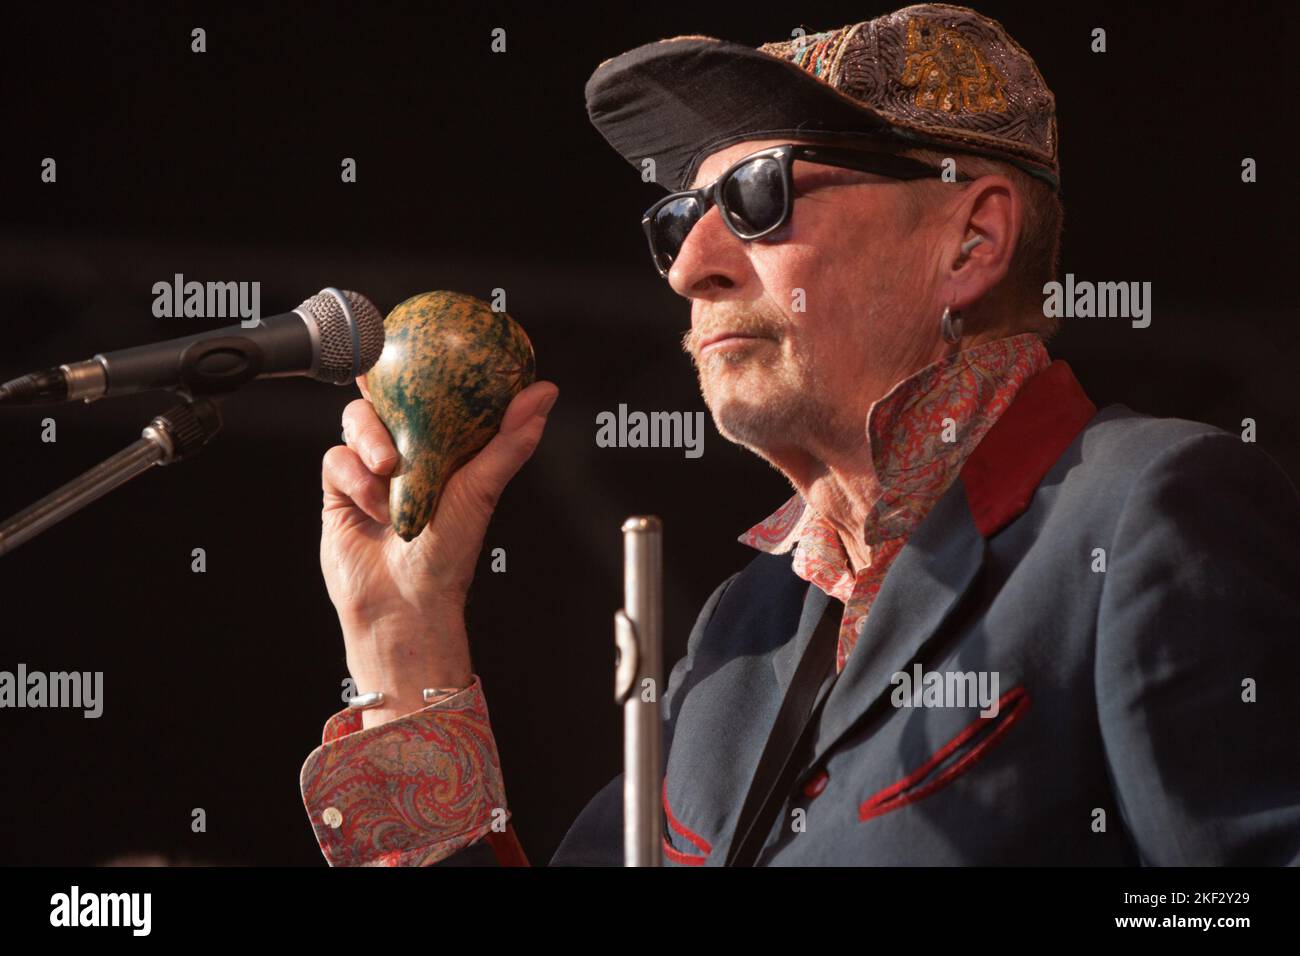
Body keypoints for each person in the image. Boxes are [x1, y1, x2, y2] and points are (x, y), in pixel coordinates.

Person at [300, 4, 1300, 866]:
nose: (691, 264)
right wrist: (405, 642)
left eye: (756, 197)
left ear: (971, 240)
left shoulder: (1147, 509)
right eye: (677, 217)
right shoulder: (743, 627)